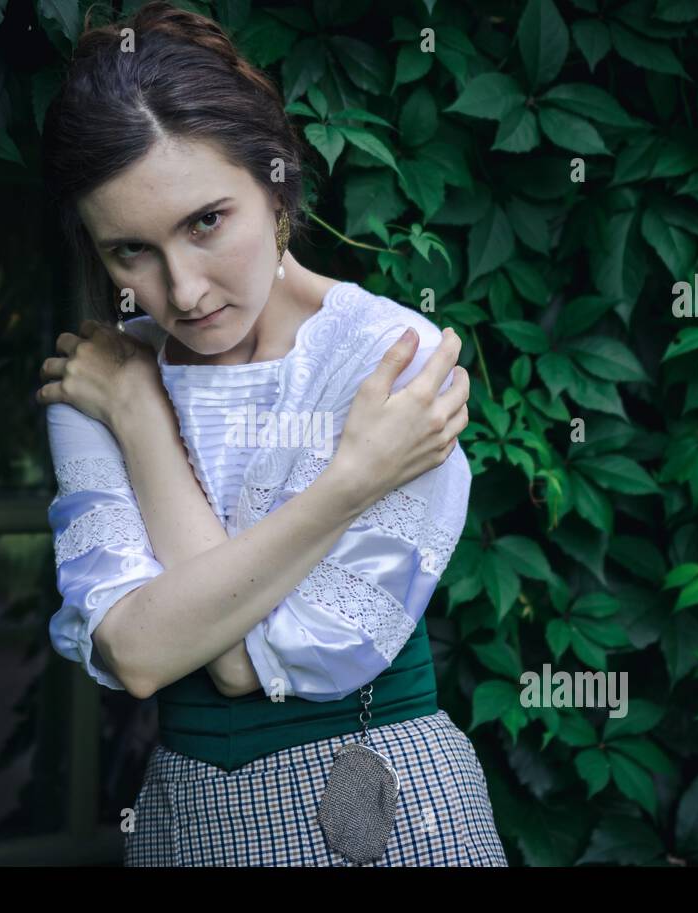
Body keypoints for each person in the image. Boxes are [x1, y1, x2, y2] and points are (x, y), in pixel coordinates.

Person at [36, 1, 507, 867]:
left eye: (206, 221)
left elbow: (242, 667)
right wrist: (346, 477)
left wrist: (145, 433)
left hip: (390, 809)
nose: (182, 290)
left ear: (276, 184)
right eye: (130, 251)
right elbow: (138, 652)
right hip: (187, 820)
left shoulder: (387, 360)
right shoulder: (104, 381)